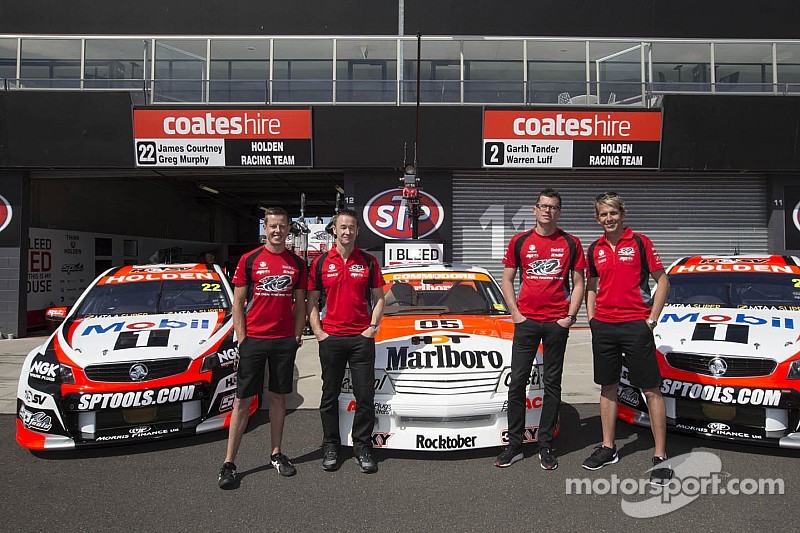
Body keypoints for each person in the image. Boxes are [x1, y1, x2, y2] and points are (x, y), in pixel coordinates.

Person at [582, 192, 672, 486]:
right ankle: (608, 448)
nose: (608, 219)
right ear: (597, 218)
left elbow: (663, 281)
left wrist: (651, 319)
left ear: (622, 214)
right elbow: (591, 286)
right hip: (605, 327)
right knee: (608, 387)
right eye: (602, 215)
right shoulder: (594, 248)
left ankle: (660, 456)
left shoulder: (641, 243)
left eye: (613, 213)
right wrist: (592, 319)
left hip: (636, 325)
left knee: (651, 389)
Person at [495, 188, 586, 470]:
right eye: (544, 206)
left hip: (557, 323)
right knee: (517, 383)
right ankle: (515, 445)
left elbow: (579, 282)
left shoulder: (571, 243)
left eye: (554, 207)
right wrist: (516, 314)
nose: (548, 211)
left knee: (552, 385)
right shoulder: (520, 241)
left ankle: (546, 445)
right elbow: (507, 280)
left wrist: (570, 317)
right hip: (527, 323)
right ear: (535, 209)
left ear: (559, 212)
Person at [218, 207, 308, 488]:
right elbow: (238, 303)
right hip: (254, 340)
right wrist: (242, 337)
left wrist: (295, 335)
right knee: (242, 401)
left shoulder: (297, 263)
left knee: (278, 398)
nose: (277, 231)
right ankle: (229, 462)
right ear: (265, 229)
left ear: (289, 228)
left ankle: (277, 453)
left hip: (283, 341)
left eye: (282, 226)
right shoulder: (249, 260)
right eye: (272, 226)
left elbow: (302, 303)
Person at [307, 209, 385, 474]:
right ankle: (331, 445)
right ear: (334, 230)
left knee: (365, 396)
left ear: (357, 231)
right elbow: (312, 302)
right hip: (331, 338)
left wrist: (372, 327)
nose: (347, 232)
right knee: (329, 396)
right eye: (342, 227)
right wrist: (318, 332)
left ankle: (362, 447)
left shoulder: (368, 262)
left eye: (351, 227)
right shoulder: (319, 263)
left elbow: (379, 298)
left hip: (360, 338)